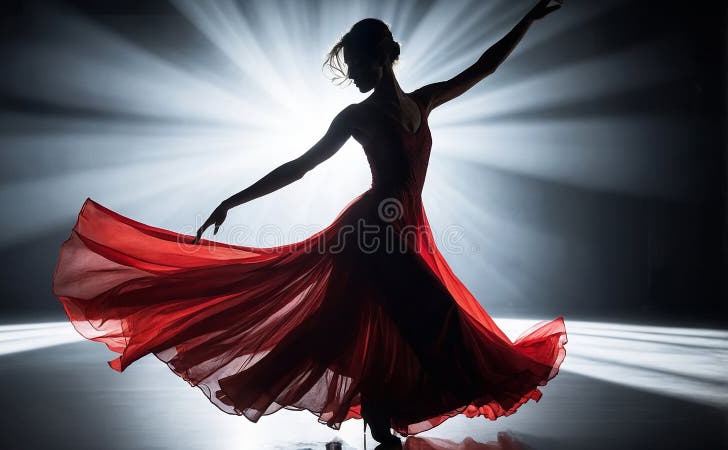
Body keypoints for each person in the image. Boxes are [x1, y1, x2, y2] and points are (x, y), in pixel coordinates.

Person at [52, 1, 567, 448]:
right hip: (375, 233)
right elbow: (299, 167)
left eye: (358, 63)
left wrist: (527, 19)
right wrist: (235, 198)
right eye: (350, 66)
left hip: (404, 226)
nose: (355, 74)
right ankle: (382, 404)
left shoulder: (423, 101)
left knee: (377, 321)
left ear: (382, 55)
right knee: (428, 315)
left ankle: (383, 410)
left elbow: (484, 67)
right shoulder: (355, 117)